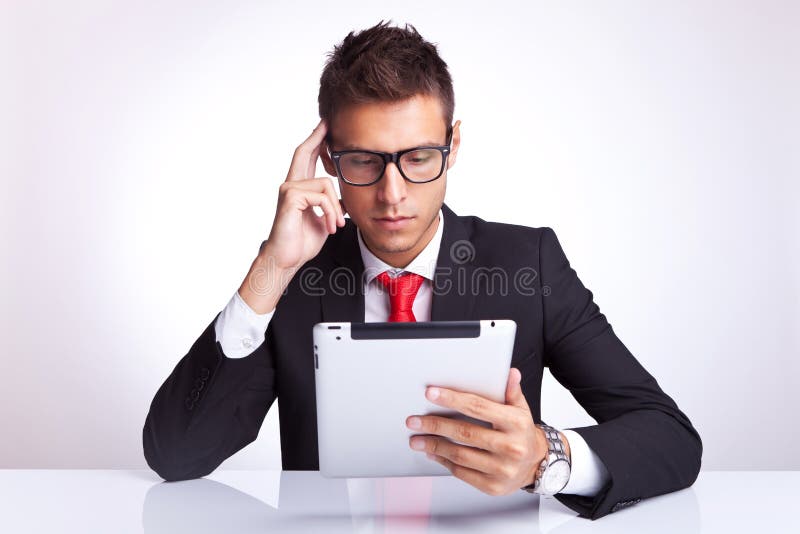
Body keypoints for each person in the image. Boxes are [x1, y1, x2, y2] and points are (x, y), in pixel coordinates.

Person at [142, 21, 702, 520]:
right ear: (329, 158)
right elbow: (176, 454)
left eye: (417, 158)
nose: (392, 194)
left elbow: (671, 437)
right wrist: (272, 265)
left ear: (452, 145)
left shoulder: (527, 262)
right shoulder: (293, 276)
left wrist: (544, 457)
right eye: (364, 161)